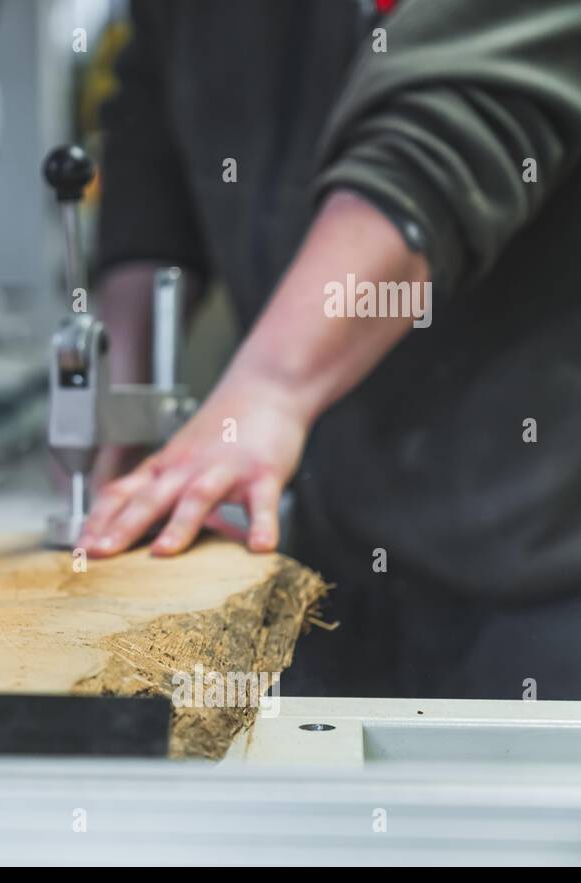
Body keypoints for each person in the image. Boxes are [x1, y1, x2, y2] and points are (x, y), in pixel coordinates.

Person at [78, 0, 581, 698]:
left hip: (546, 557)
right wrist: (117, 388)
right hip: (337, 547)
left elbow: (450, 130)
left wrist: (272, 389)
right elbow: (154, 132)